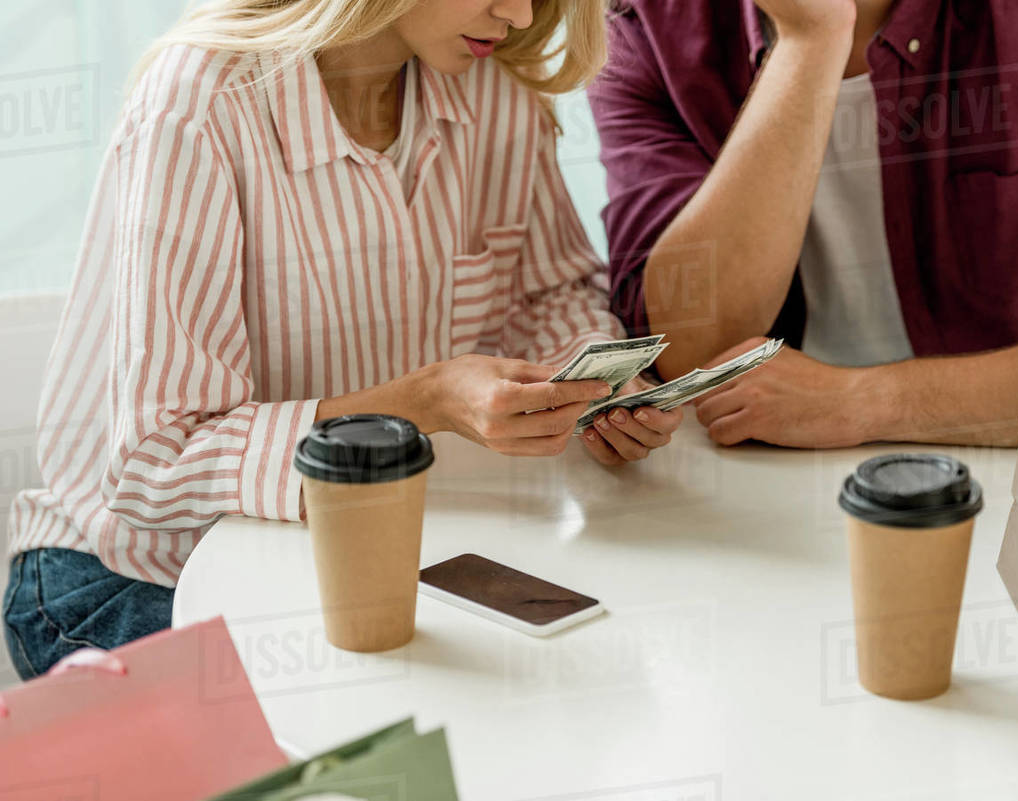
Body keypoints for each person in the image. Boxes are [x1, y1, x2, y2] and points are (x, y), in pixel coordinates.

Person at [3, 0, 683, 680]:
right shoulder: (202, 103)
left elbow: (550, 293)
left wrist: (595, 382)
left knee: (585, 678)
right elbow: (156, 463)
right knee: (406, 720)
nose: (518, 13)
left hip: (371, 557)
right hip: (132, 575)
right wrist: (428, 400)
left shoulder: (490, 83)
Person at [588, 0, 1018, 449]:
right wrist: (810, 38)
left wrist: (867, 402)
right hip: (755, 478)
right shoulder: (641, 29)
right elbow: (692, 352)